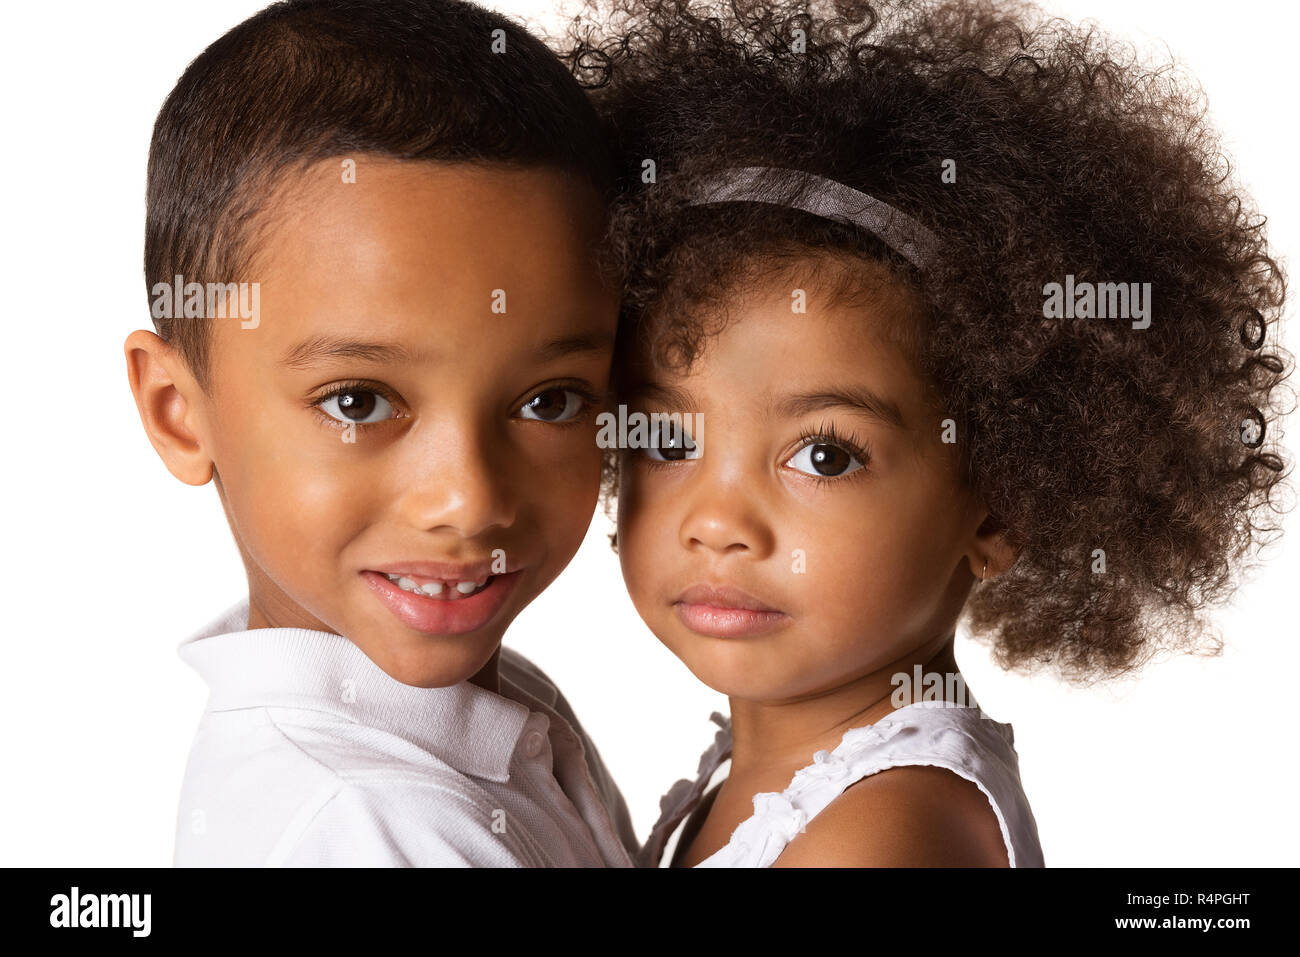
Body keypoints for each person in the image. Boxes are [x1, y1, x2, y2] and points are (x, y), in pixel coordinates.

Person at [564, 0, 1289, 866]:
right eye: (668, 438)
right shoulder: (786, 779)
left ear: (1000, 509)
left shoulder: (886, 832)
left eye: (824, 454)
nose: (717, 521)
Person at [125, 0, 636, 867]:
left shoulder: (491, 716)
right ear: (180, 412)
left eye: (550, 400)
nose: (468, 498)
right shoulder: (368, 824)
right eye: (358, 401)